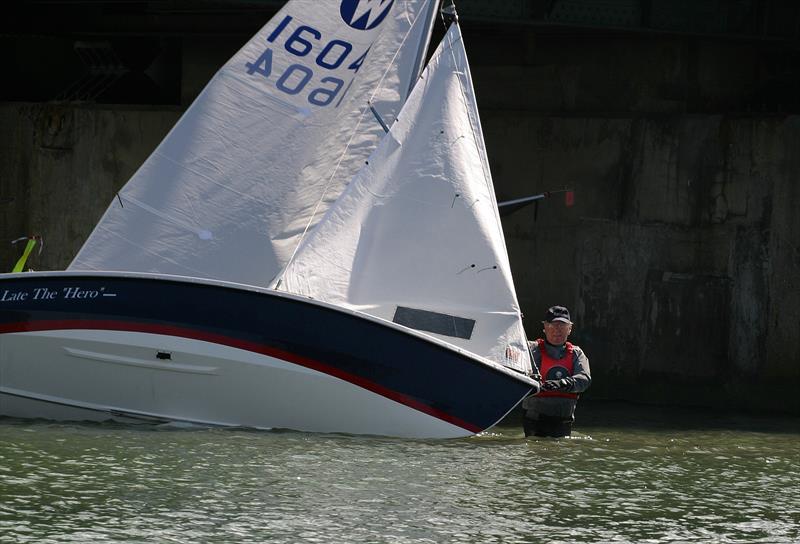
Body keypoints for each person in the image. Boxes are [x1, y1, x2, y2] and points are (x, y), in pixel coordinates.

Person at [522, 305, 591, 438]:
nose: (557, 330)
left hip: (562, 420)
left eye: (562, 326)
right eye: (553, 326)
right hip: (534, 418)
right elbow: (510, 351)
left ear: (569, 329)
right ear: (545, 328)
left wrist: (562, 383)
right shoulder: (530, 350)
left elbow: (585, 379)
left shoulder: (577, 354)